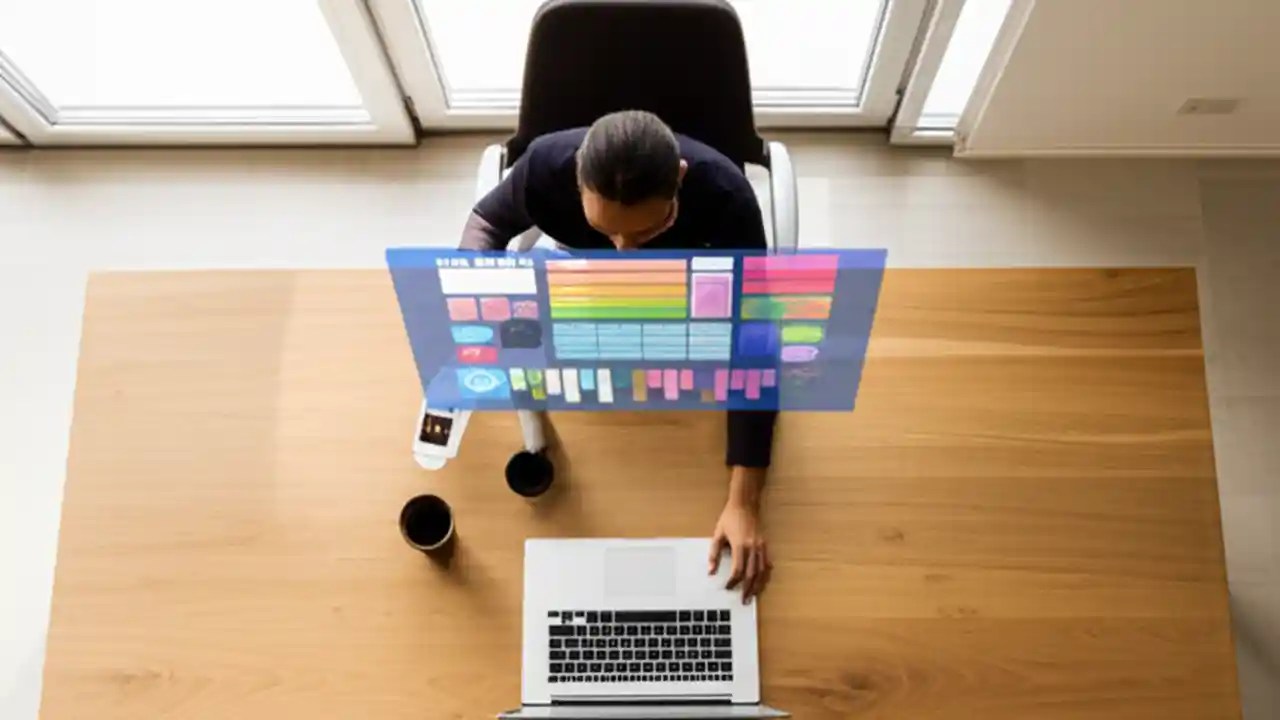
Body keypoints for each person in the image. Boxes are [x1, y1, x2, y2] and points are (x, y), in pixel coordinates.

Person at [461, 110, 776, 602]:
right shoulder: (547, 163)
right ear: (577, 177)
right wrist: (481, 289)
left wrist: (743, 501)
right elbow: (486, 222)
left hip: (682, 300)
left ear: (680, 180)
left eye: (647, 232)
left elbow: (756, 338)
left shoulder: (727, 194)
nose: (625, 253)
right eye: (606, 231)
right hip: (580, 294)